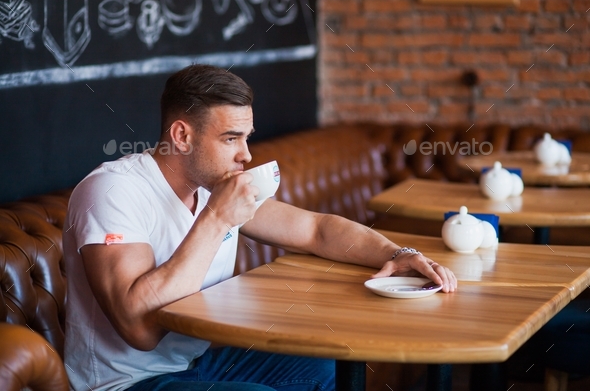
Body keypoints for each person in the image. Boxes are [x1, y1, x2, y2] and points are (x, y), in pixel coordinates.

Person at [63, 64, 457, 391]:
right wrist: (216, 218)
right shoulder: (113, 191)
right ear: (182, 136)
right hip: (127, 382)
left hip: (199, 362)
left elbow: (316, 230)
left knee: (328, 369)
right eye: (230, 138)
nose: (246, 154)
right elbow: (140, 330)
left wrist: (400, 255)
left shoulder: (213, 185)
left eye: (247, 137)